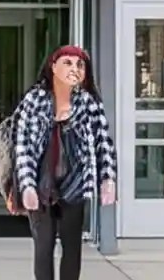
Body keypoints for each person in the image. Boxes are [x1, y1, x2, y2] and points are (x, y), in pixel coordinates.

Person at [11, 46, 117, 280]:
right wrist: (26, 185)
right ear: (53, 66)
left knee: (72, 248)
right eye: (68, 63)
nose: (74, 69)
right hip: (41, 184)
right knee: (43, 247)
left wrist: (107, 178)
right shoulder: (34, 100)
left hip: (75, 184)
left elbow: (103, 142)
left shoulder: (88, 103)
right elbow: (22, 145)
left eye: (80, 65)